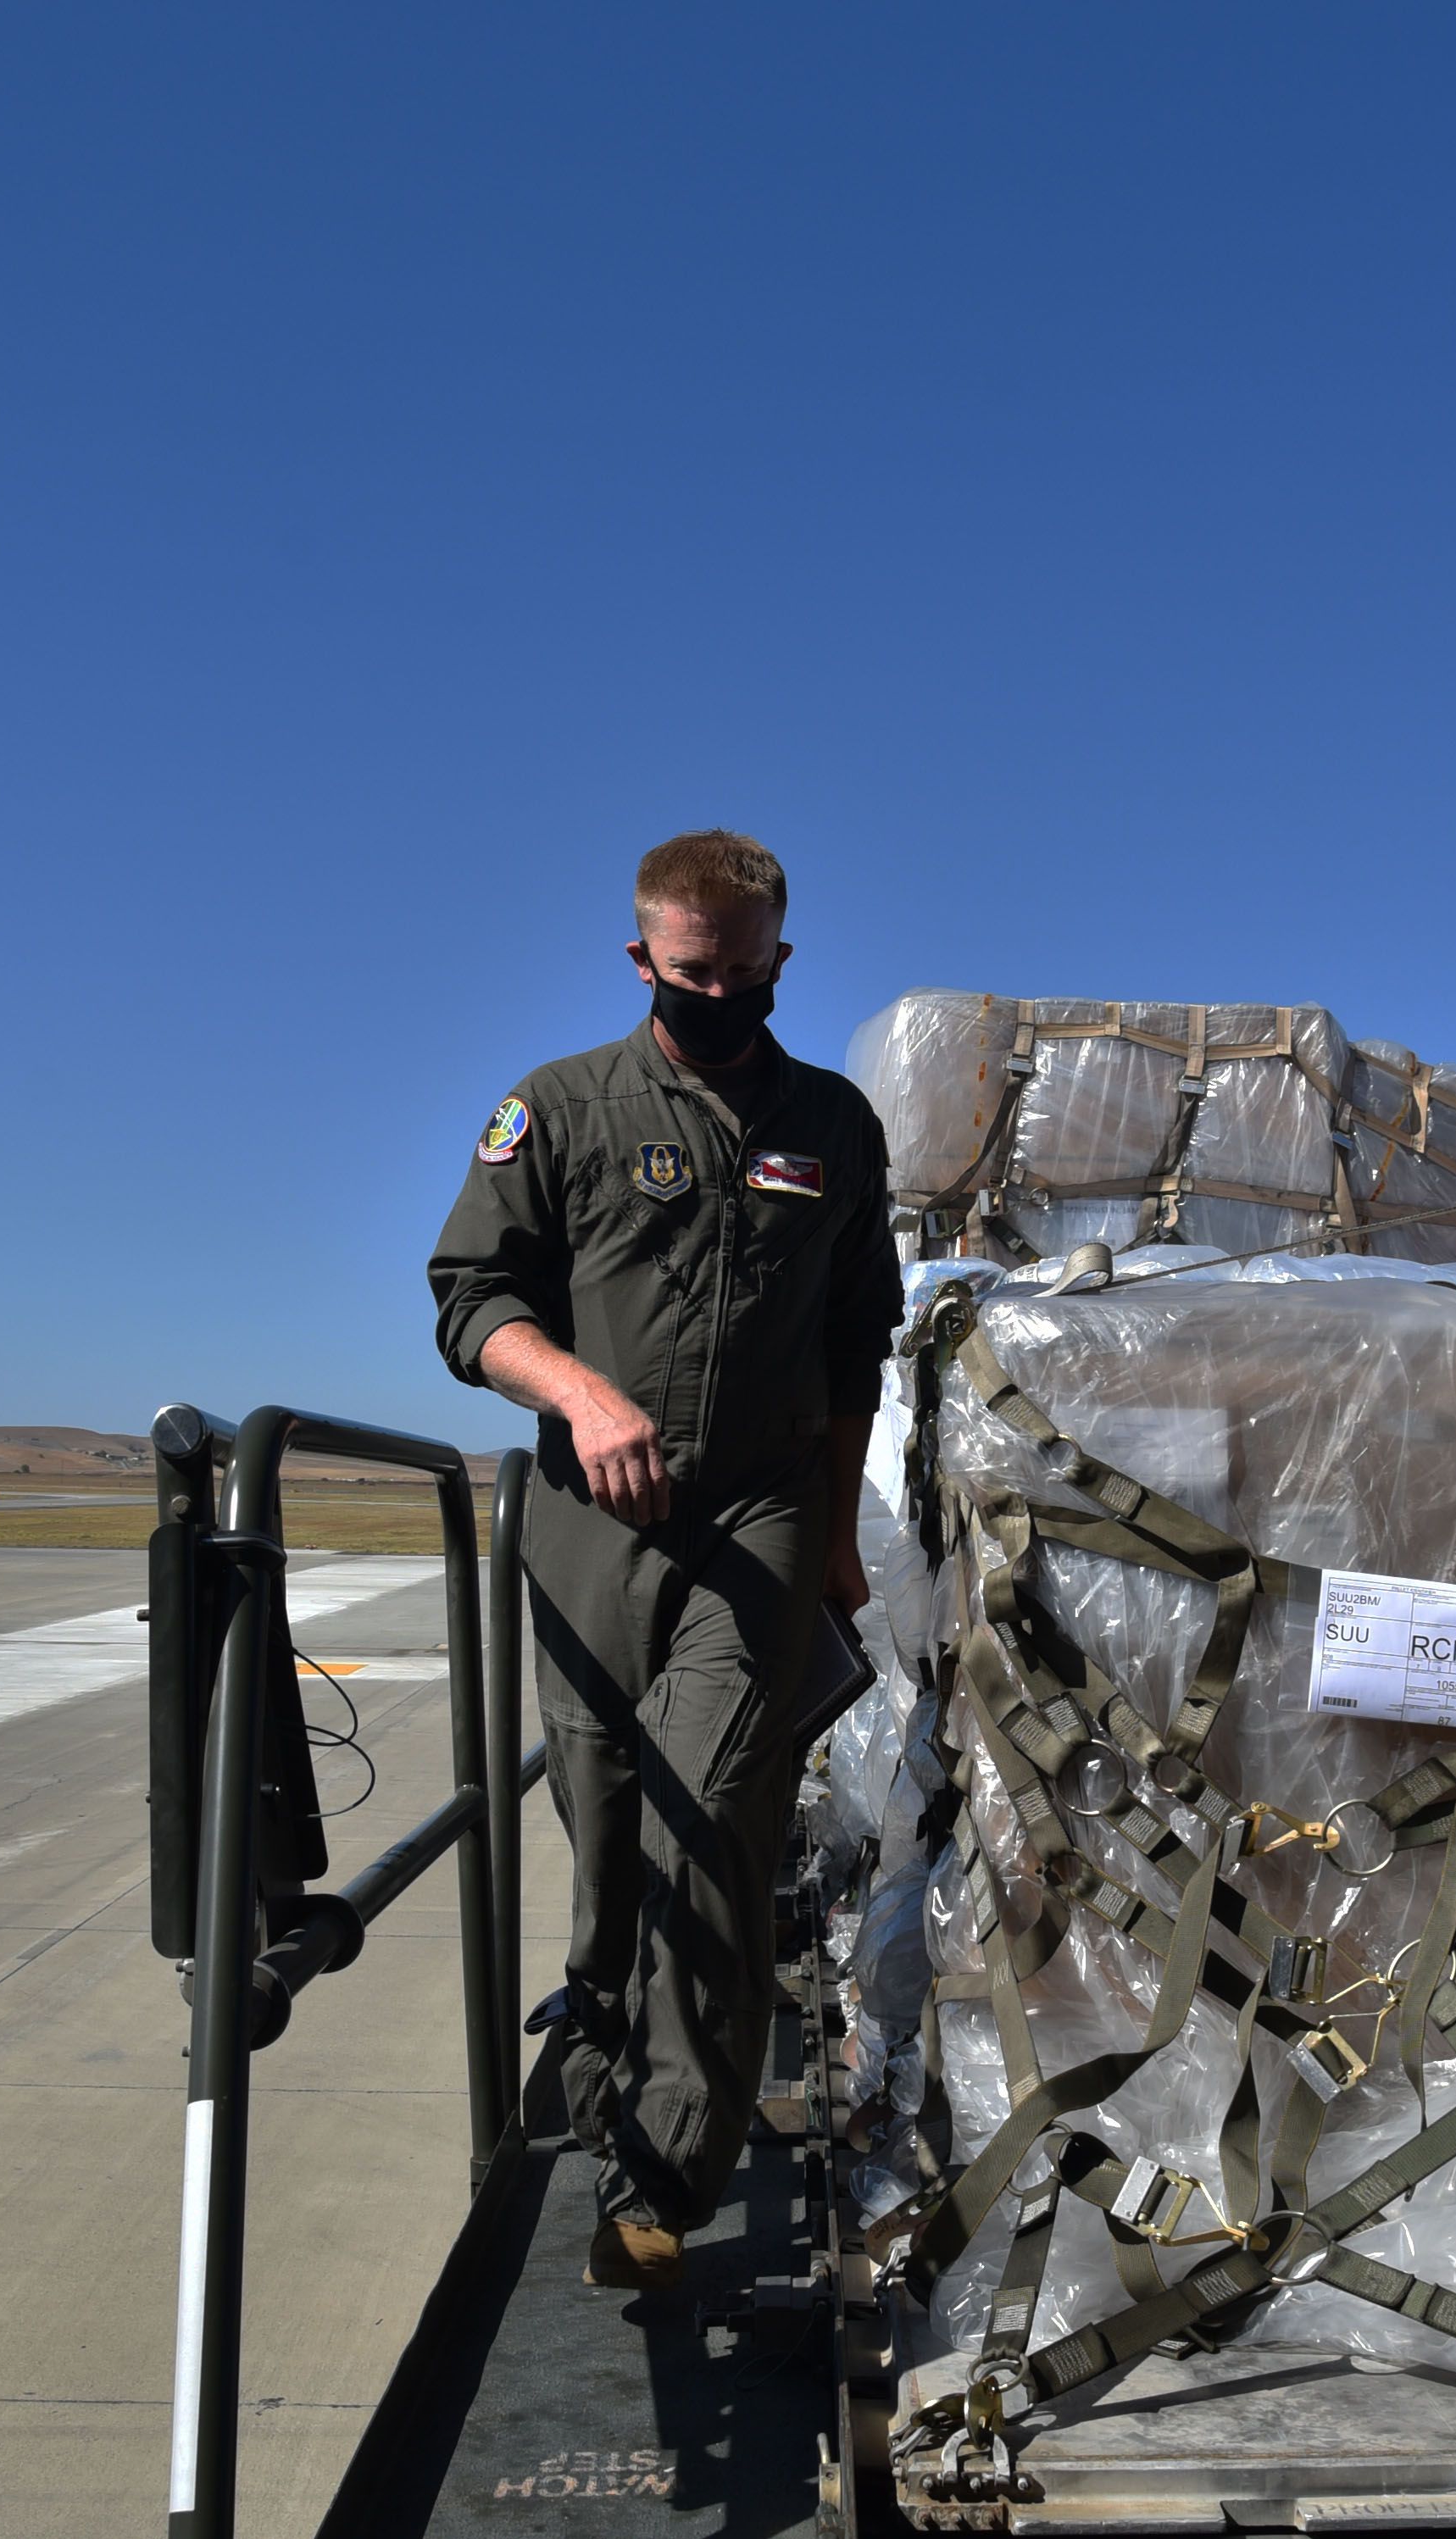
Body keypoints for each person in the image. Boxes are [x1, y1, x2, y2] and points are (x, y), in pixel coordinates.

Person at [428, 829, 903, 2290]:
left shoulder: (833, 1126)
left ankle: (660, 2175)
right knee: (610, 1830)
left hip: (761, 1517)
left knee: (716, 1822)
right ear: (642, 958)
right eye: (691, 972)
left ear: (780, 959)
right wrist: (580, 1393)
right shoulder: (559, 1106)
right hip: (592, 1519)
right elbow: (472, 1304)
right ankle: (600, 2081)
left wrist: (836, 1530)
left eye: (743, 971)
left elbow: (855, 1346)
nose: (717, 993)